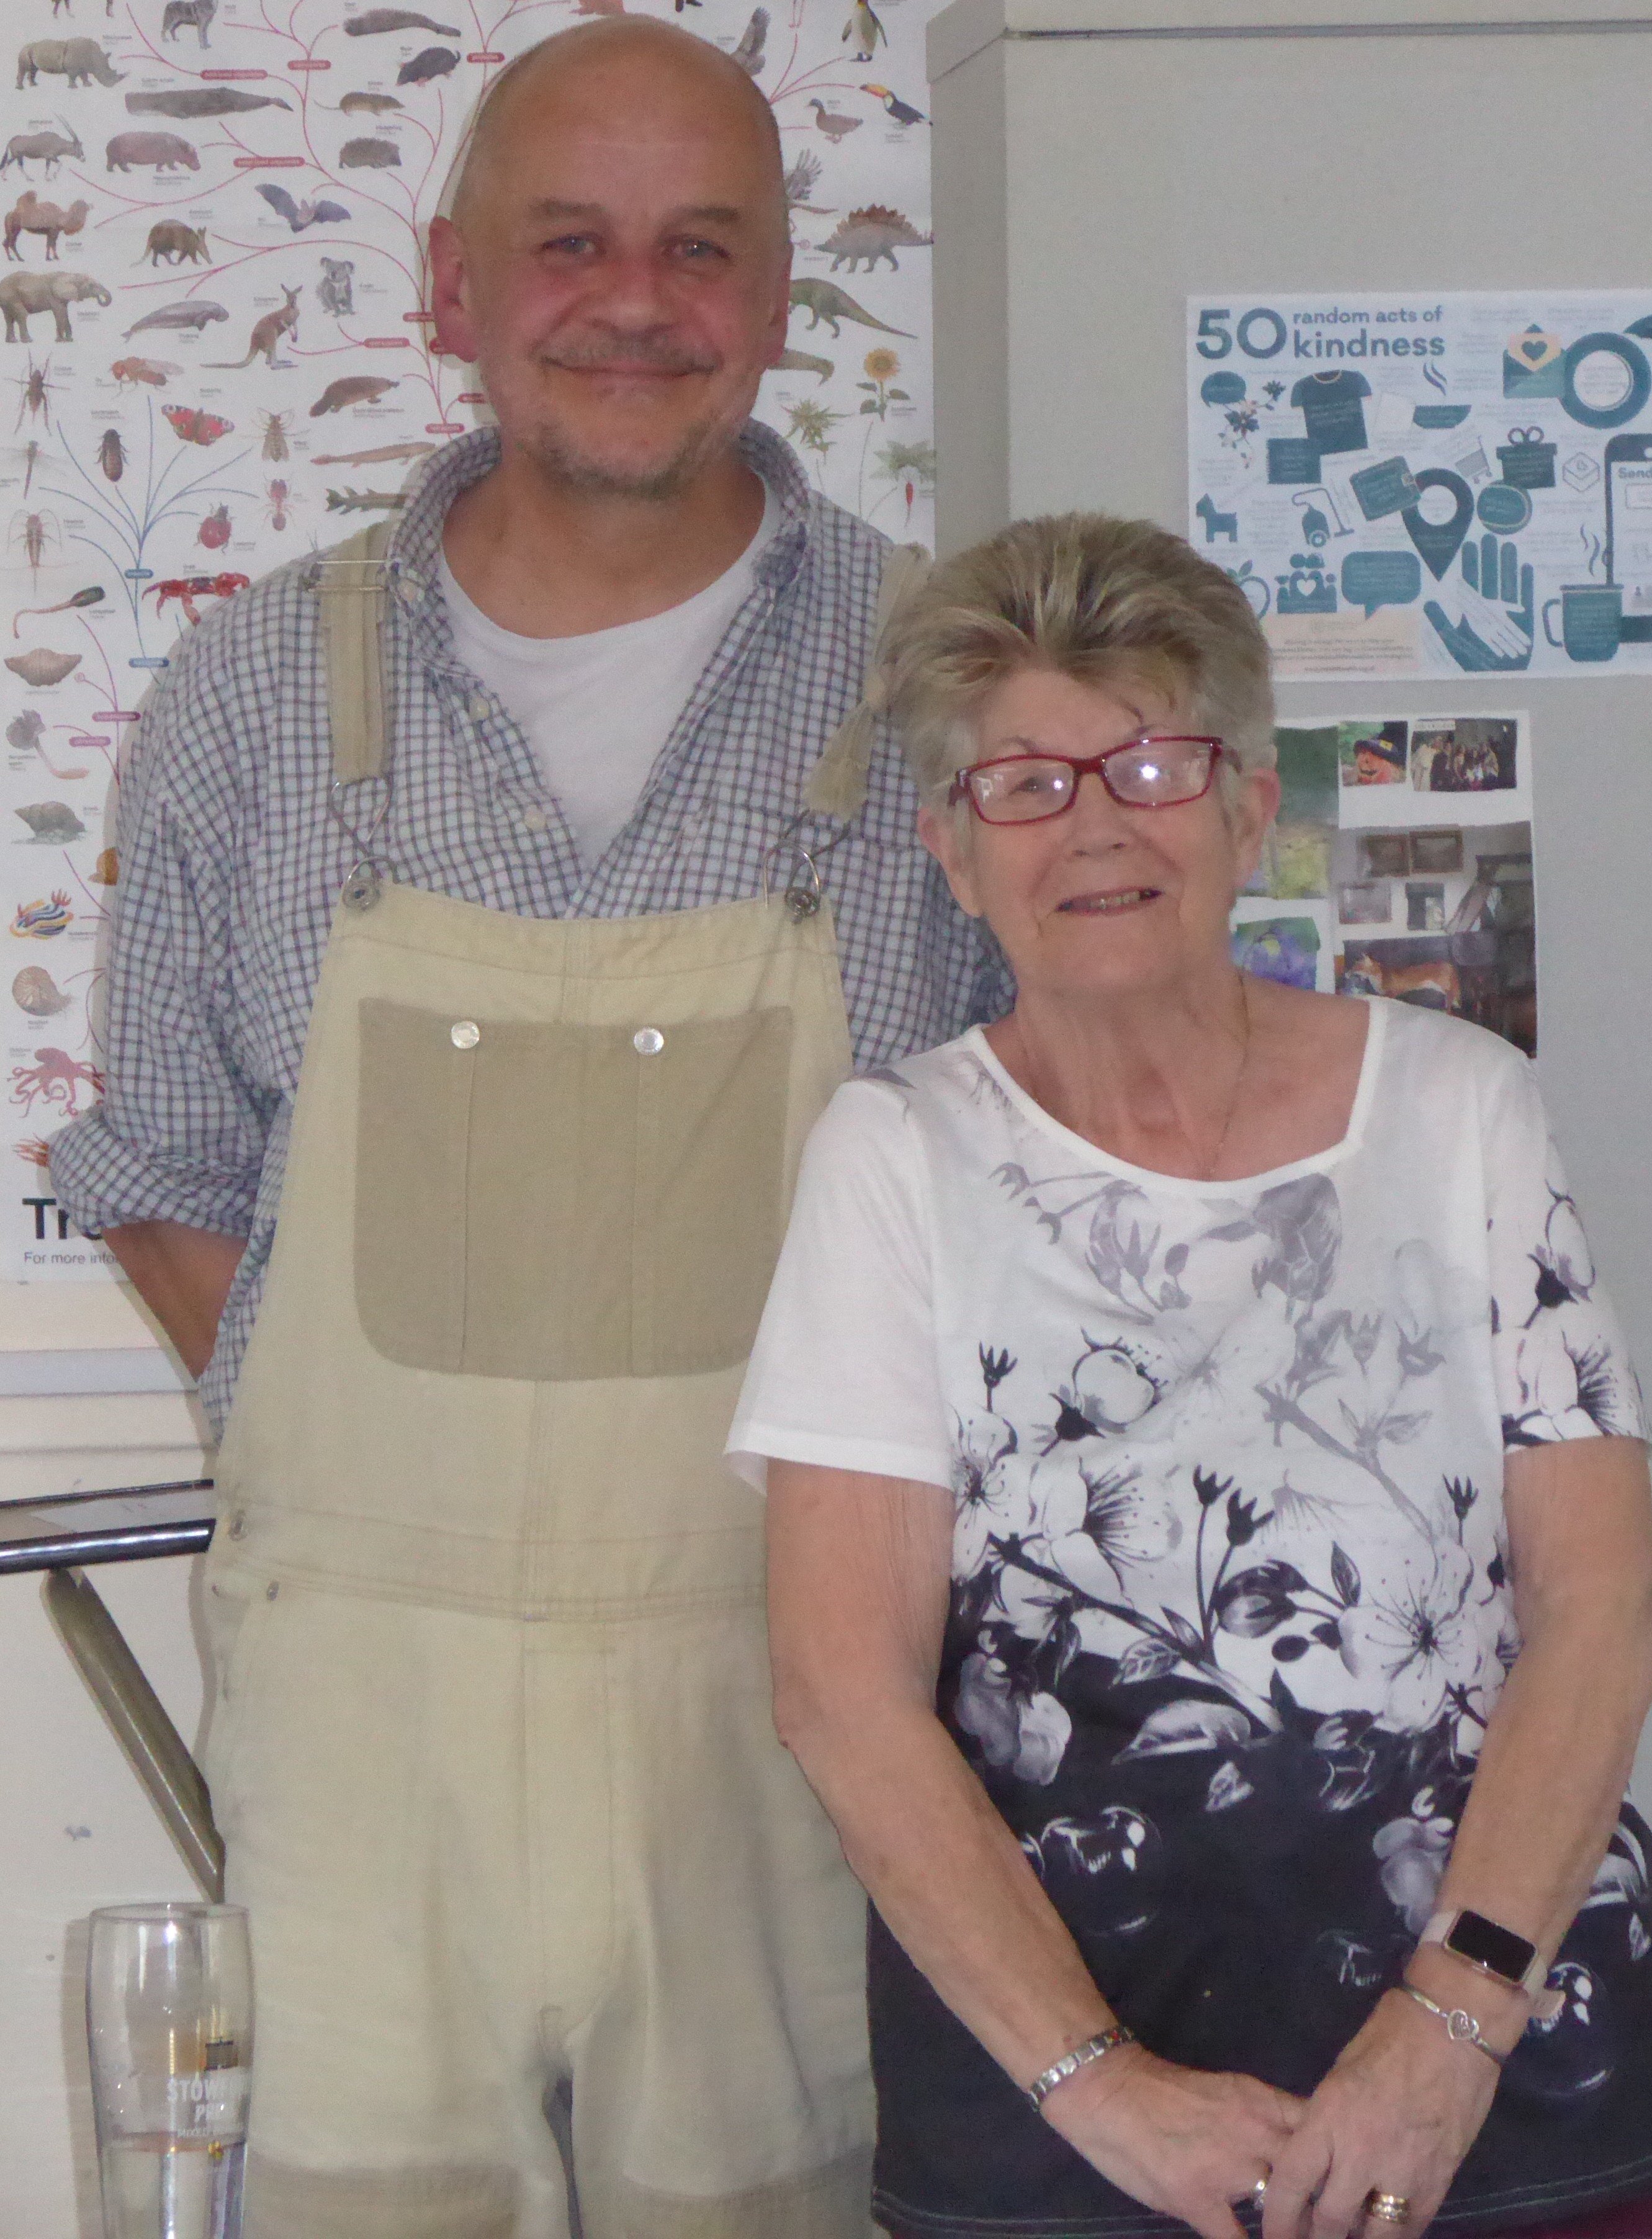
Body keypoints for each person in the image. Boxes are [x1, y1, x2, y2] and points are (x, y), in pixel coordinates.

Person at [50, 23, 998, 2235]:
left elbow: (1043, 1186)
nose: (635, 301)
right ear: (448, 288)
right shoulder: (253, 693)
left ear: (780, 299)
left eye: (702, 248)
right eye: (567, 242)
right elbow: (172, 1173)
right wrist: (358, 1479)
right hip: (369, 1732)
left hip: (787, 1709)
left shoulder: (944, 689)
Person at [729, 513, 1652, 2239]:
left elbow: (1600, 1609)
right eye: (1021, 781)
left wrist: (1449, 2023)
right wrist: (1103, 2089)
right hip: (1065, 2116)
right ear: (954, 853)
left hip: (1499, 2084)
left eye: (1153, 763)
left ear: (1250, 806)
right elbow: (841, 1697)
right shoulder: (894, 1160)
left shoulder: (1461, 1108)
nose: (1092, 821)